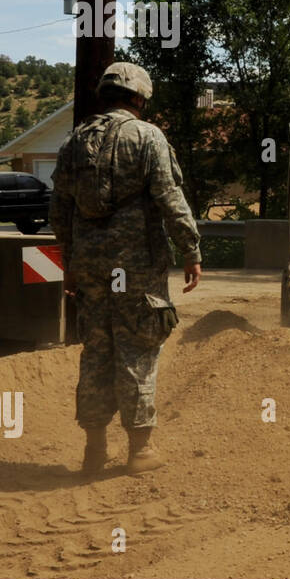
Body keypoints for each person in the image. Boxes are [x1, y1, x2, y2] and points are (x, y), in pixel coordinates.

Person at [48, 62, 201, 476]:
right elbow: (170, 198)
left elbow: (59, 210)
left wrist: (70, 261)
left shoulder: (73, 143)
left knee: (96, 349)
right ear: (138, 98)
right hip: (136, 267)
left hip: (91, 267)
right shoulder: (147, 136)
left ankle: (94, 451)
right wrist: (191, 248)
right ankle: (140, 451)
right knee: (137, 346)